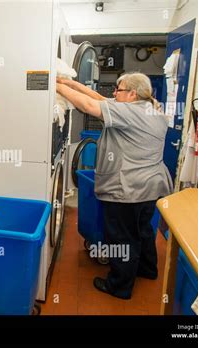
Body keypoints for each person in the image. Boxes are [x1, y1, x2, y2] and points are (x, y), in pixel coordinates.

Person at [57, 72, 173, 300]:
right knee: (143, 231)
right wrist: (67, 83)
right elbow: (98, 98)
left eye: (118, 89)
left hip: (128, 189)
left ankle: (119, 285)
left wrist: (53, 86)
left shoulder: (130, 112)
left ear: (132, 93)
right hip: (151, 186)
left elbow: (90, 105)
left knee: (121, 237)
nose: (113, 93)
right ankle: (148, 269)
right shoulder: (151, 109)